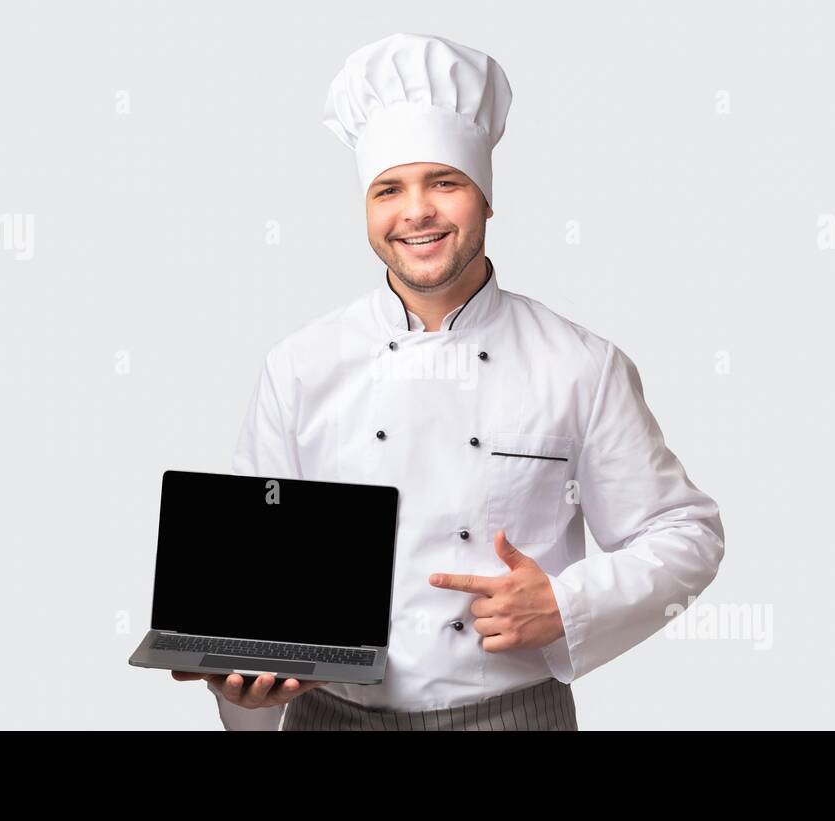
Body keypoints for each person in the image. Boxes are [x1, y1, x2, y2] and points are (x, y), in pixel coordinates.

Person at [171, 32, 726, 730]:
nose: (417, 212)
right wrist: (246, 687)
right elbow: (251, 588)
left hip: (511, 715)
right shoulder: (299, 365)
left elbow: (685, 532)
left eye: (444, 182)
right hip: (328, 717)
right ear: (367, 208)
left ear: (487, 198)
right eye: (389, 189)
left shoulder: (580, 364)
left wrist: (568, 602)